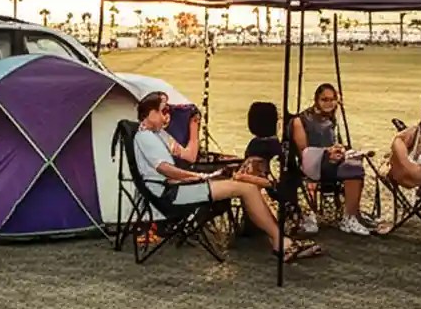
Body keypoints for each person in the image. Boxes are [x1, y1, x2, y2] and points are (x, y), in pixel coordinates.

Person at [133, 92, 321, 262]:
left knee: (242, 183)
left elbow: (189, 155)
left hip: (178, 187)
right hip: (170, 193)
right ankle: (281, 242)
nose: (168, 115)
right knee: (244, 187)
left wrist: (193, 127)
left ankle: (279, 240)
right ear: (149, 113)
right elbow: (167, 170)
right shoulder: (145, 137)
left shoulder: (160, 134)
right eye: (163, 110)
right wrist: (199, 176)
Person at [290, 84, 369, 236]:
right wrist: (327, 153)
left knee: (355, 166)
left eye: (332, 99)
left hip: (333, 161)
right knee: (351, 167)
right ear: (316, 100)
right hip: (313, 163)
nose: (329, 103)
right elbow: (304, 152)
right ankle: (350, 217)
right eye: (324, 99)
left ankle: (350, 216)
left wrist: (340, 150)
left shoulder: (332, 118)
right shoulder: (300, 120)